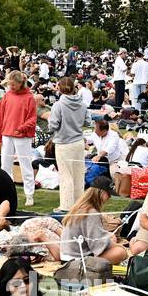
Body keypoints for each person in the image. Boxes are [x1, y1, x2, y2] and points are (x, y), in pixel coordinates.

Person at [59, 180, 128, 264]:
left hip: (67, 255)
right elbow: (97, 243)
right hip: (77, 259)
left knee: (112, 237)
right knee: (120, 252)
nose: (109, 197)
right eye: (108, 194)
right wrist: (120, 247)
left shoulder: (81, 207)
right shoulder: (91, 212)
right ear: (100, 193)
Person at [0, 70, 37, 205]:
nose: (11, 87)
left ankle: (29, 194)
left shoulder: (29, 97)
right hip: (7, 134)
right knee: (5, 166)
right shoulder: (7, 96)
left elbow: (32, 118)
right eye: (9, 84)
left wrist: (22, 128)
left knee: (26, 165)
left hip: (22, 136)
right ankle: (4, 193)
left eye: (13, 84)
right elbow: (0, 116)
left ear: (20, 83)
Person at [49, 75, 87, 210]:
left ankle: (66, 206)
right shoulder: (82, 104)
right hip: (78, 142)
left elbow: (52, 125)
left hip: (64, 143)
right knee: (78, 175)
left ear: (59, 88)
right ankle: (78, 205)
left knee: (66, 176)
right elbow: (88, 121)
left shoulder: (58, 105)